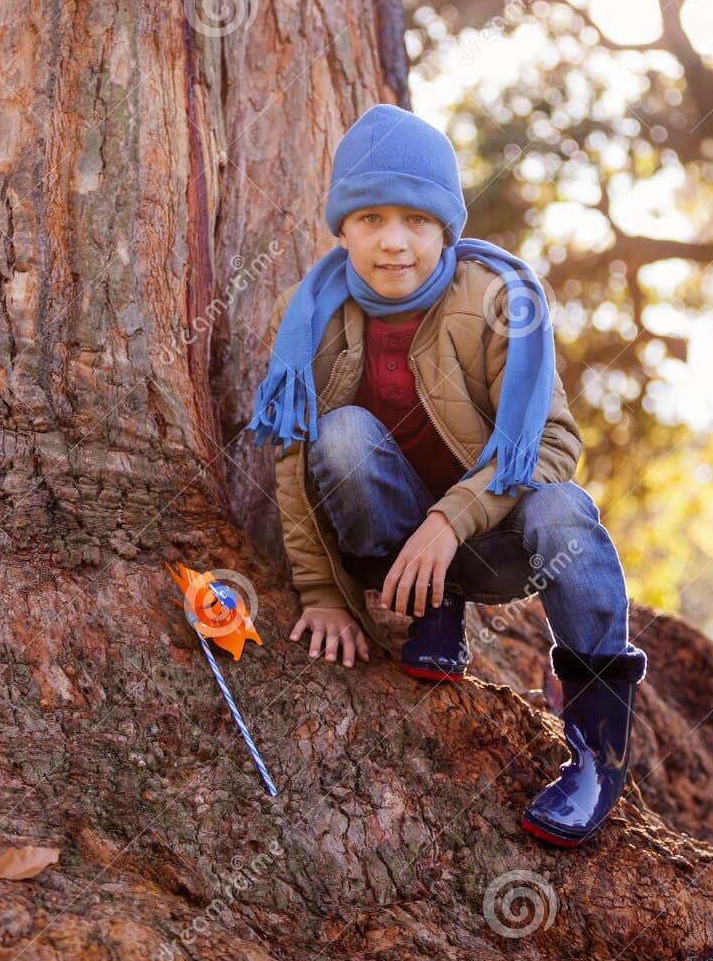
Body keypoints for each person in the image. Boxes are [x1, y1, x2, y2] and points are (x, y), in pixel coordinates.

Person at [245, 103, 649, 847]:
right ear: (343, 229)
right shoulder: (314, 316)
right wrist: (322, 595)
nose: (392, 241)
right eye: (368, 218)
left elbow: (553, 443)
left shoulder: (501, 301)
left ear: (446, 230)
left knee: (564, 509)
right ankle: (432, 613)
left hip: (489, 540)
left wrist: (449, 519)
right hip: (387, 543)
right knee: (337, 434)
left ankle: (598, 753)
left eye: (414, 220)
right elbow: (296, 462)